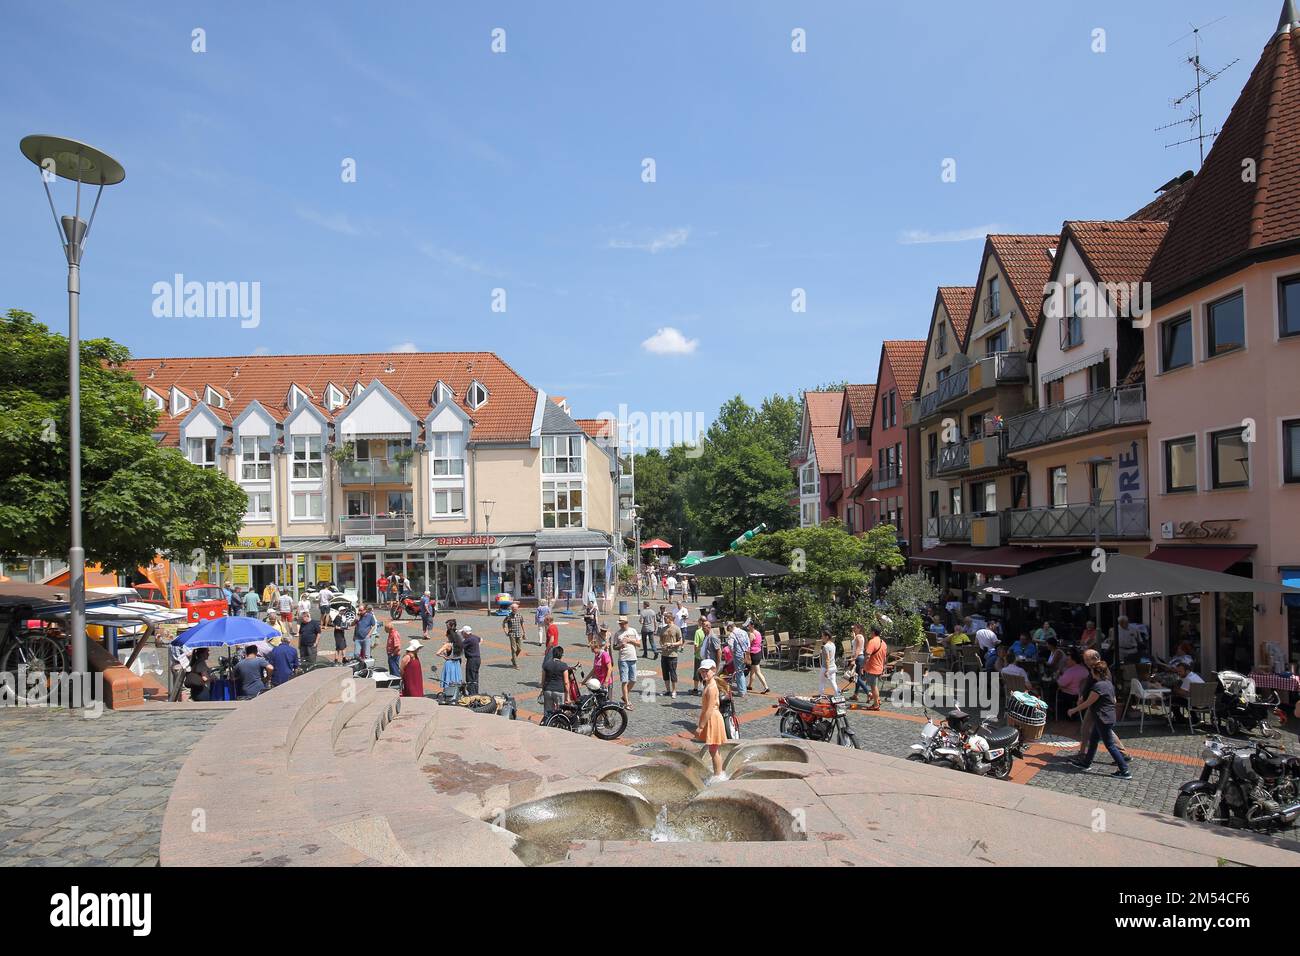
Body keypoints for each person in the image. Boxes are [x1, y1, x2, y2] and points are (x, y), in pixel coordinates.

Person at [1068, 660, 1132, 779]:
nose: (1090, 673)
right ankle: (1086, 763)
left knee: (1110, 745)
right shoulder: (1108, 683)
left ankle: (1124, 770)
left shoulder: (1098, 686)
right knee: (1093, 740)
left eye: (1091, 671)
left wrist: (1073, 710)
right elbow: (1114, 701)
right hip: (1106, 717)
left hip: (1103, 719)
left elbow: (1087, 703)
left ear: (1095, 672)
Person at [1077, 648, 1127, 758]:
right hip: (1095, 704)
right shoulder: (1094, 668)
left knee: (1103, 730)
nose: (1085, 662)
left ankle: (1123, 754)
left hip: (1099, 705)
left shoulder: (1101, 670)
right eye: (1084, 659)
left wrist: (1083, 701)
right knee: (1088, 728)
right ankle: (1082, 752)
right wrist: (1083, 696)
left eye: (1087, 659)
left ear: (1095, 658)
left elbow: (1107, 686)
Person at [695, 659, 727, 778]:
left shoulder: (712, 687)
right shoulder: (709, 684)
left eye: (706, 671)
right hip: (712, 717)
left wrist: (700, 727)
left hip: (713, 718)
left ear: (713, 670)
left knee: (713, 750)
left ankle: (718, 776)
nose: (703, 673)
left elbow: (709, 709)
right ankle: (719, 773)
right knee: (714, 749)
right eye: (702, 671)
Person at [614, 615, 641, 710]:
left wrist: (630, 640)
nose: (620, 625)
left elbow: (639, 644)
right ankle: (627, 702)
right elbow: (614, 647)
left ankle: (624, 696)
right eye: (620, 624)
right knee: (624, 681)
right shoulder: (617, 633)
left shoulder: (633, 631)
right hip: (623, 659)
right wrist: (620, 645)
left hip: (633, 658)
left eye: (622, 624)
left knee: (633, 680)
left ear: (626, 623)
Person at [542, 645, 571, 723]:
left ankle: (547, 725)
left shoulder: (546, 664)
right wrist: (567, 696)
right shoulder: (564, 666)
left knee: (547, 713)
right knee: (559, 713)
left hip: (547, 690)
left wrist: (542, 690)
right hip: (559, 691)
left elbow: (543, 680)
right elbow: (566, 682)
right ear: (561, 655)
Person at [1055, 648, 1089, 713]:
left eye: (1068, 660)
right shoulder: (1085, 669)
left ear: (1073, 661)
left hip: (1071, 694)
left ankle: (1056, 712)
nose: (1066, 661)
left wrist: (1057, 676)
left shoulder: (1070, 671)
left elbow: (1061, 684)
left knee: (1054, 689)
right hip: (1083, 694)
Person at [436, 620, 464, 697]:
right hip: (456, 663)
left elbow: (437, 653)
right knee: (455, 678)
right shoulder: (458, 642)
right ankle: (455, 692)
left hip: (449, 663)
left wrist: (444, 656)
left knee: (448, 678)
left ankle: (447, 693)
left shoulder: (447, 645)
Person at [660, 612, 683, 697]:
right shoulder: (663, 629)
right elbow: (660, 640)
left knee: (673, 673)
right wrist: (662, 645)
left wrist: (671, 644)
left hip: (673, 655)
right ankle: (667, 690)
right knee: (665, 673)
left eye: (665, 618)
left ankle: (674, 691)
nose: (664, 619)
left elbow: (680, 642)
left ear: (669, 618)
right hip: (664, 654)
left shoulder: (677, 628)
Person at [724, 621, 749, 697]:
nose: (728, 630)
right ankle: (744, 689)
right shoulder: (743, 632)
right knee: (742, 672)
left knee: (739, 673)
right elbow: (748, 643)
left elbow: (730, 646)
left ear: (730, 627)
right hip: (745, 654)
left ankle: (742, 691)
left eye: (728, 628)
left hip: (738, 655)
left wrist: (732, 653)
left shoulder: (732, 635)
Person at [746, 620, 770, 694]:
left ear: (752, 626)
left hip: (754, 654)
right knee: (752, 671)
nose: (747, 626)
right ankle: (749, 685)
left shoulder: (752, 634)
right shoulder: (758, 633)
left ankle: (766, 687)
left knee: (757, 672)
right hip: (758, 652)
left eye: (749, 625)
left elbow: (748, 645)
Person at [460, 624, 483, 695]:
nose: (461, 634)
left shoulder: (468, 640)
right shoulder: (474, 637)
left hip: (472, 660)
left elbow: (459, 646)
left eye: (462, 633)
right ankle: (475, 692)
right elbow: (481, 639)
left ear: (465, 633)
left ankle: (472, 694)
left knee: (470, 677)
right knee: (475, 677)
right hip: (477, 659)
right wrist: (477, 646)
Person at [502, 601, 524, 668]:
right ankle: (515, 664)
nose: (515, 610)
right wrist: (505, 631)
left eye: (516, 609)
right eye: (514, 609)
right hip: (511, 634)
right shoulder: (508, 616)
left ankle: (513, 659)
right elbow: (503, 623)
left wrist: (524, 632)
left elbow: (522, 623)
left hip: (519, 633)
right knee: (513, 649)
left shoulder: (520, 615)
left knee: (519, 649)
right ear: (511, 609)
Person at [818, 626, 838, 697]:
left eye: (822, 636)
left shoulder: (826, 647)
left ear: (826, 637)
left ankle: (820, 695)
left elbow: (827, 659)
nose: (821, 637)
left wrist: (827, 670)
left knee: (821, 682)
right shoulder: (833, 644)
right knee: (833, 682)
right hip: (833, 667)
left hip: (826, 668)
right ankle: (837, 694)